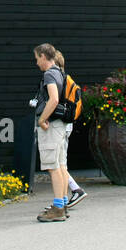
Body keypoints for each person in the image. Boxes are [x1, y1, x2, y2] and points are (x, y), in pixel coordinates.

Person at [33, 44, 70, 222]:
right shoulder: (59, 72)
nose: (36, 62)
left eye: (37, 58)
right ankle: (62, 203)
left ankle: (57, 209)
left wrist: (42, 119)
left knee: (53, 167)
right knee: (61, 165)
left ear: (43, 56)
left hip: (51, 125)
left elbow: (54, 99)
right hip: (60, 126)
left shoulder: (49, 74)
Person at [52, 51, 87, 208]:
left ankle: (74, 191)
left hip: (61, 125)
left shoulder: (59, 81)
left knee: (58, 163)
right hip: (67, 124)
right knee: (61, 162)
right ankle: (66, 196)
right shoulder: (67, 79)